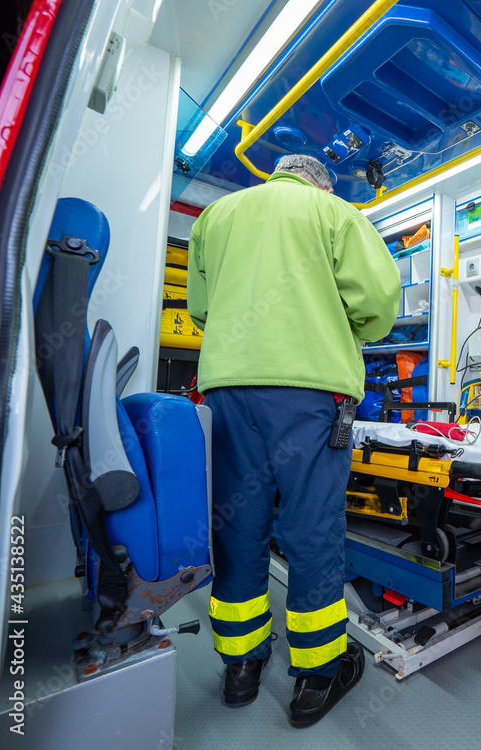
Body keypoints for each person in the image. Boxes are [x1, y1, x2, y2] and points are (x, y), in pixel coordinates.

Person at [187, 154, 400, 728]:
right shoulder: (335, 213)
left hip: (227, 388)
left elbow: (201, 310)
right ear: (321, 184)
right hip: (310, 390)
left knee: (236, 526)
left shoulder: (215, 216)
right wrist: (340, 325)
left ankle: (240, 667)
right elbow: (378, 308)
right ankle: (317, 675)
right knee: (312, 529)